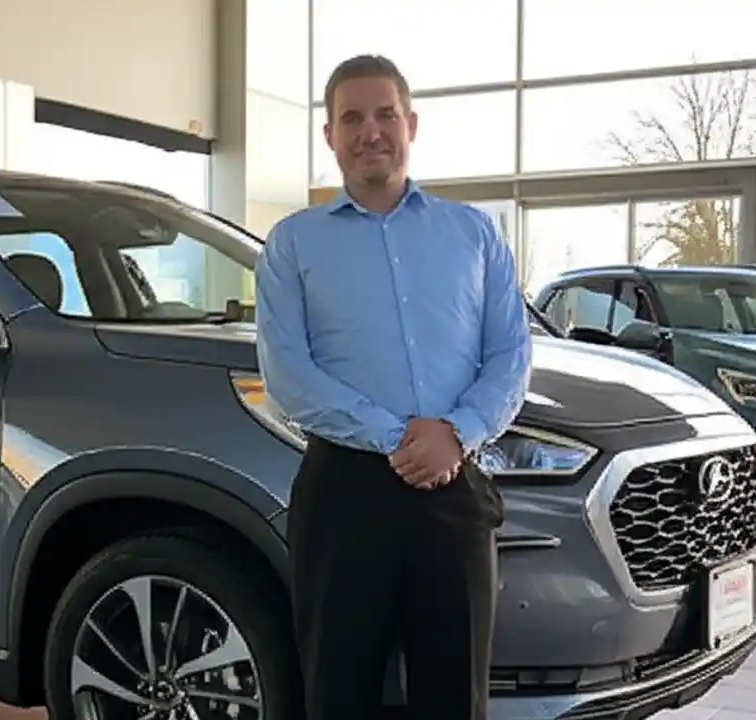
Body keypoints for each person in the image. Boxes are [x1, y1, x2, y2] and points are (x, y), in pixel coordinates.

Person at [254, 54, 532, 720]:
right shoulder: (292, 244)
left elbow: (512, 356)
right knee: (339, 694)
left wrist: (456, 435)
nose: (369, 131)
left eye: (384, 115)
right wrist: (405, 441)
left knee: (454, 698)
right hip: (344, 497)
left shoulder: (475, 235)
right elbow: (288, 375)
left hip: (454, 492)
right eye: (351, 117)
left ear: (410, 123)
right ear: (329, 135)